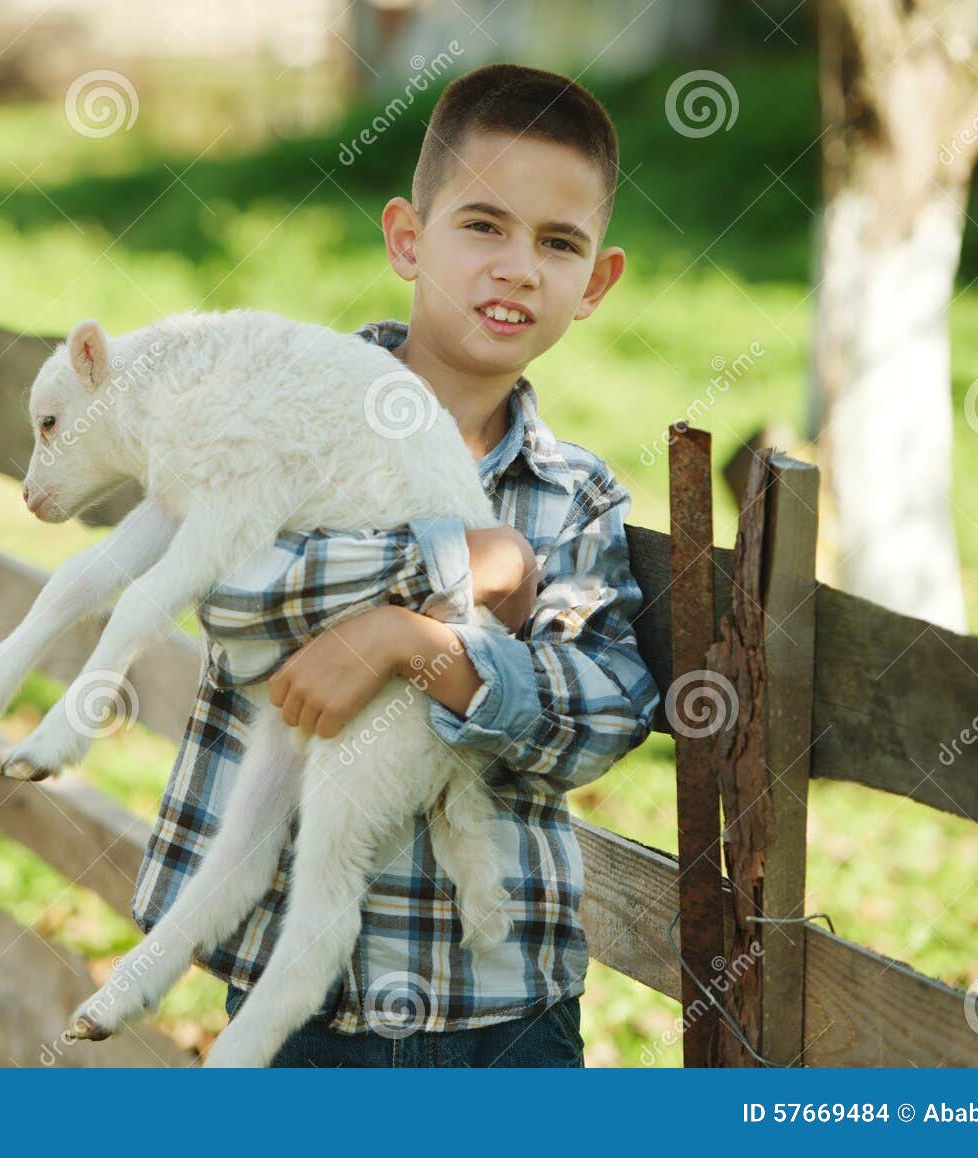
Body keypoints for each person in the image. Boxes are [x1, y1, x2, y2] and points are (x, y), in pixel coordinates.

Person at [130, 62, 660, 1068]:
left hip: (504, 1006)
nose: (516, 267)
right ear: (407, 240)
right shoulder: (286, 426)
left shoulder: (573, 495)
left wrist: (405, 639)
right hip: (301, 998)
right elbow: (236, 605)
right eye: (482, 226)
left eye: (557, 244)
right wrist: (465, 567)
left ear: (594, 282)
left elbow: (602, 713)